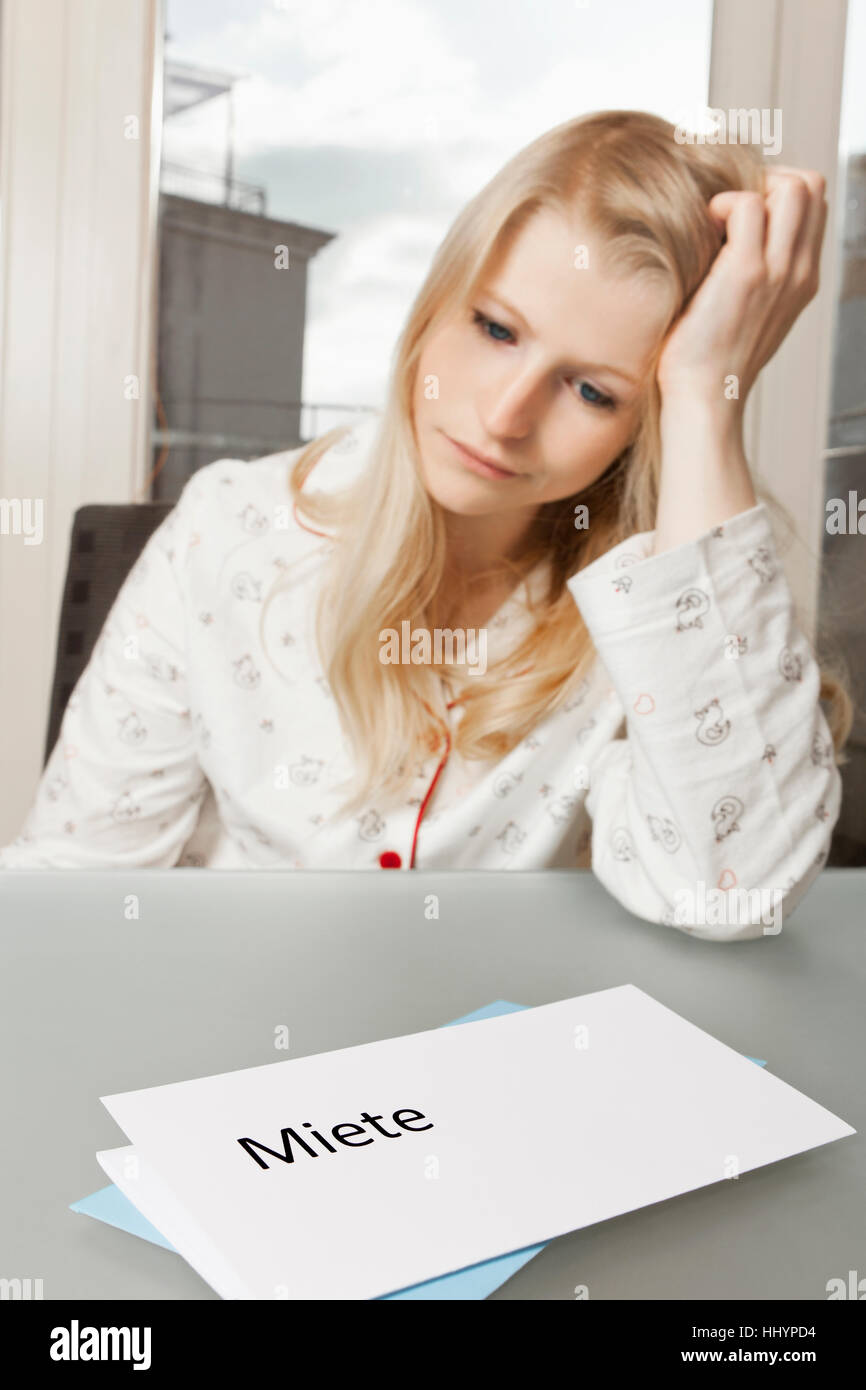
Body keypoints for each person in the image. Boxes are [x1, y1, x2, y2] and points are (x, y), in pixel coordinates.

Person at [0, 109, 852, 942]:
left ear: (648, 422)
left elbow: (731, 897)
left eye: (593, 391)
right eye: (494, 328)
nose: (504, 417)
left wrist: (709, 398)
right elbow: (70, 898)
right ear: (438, 301)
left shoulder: (670, 615)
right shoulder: (226, 531)